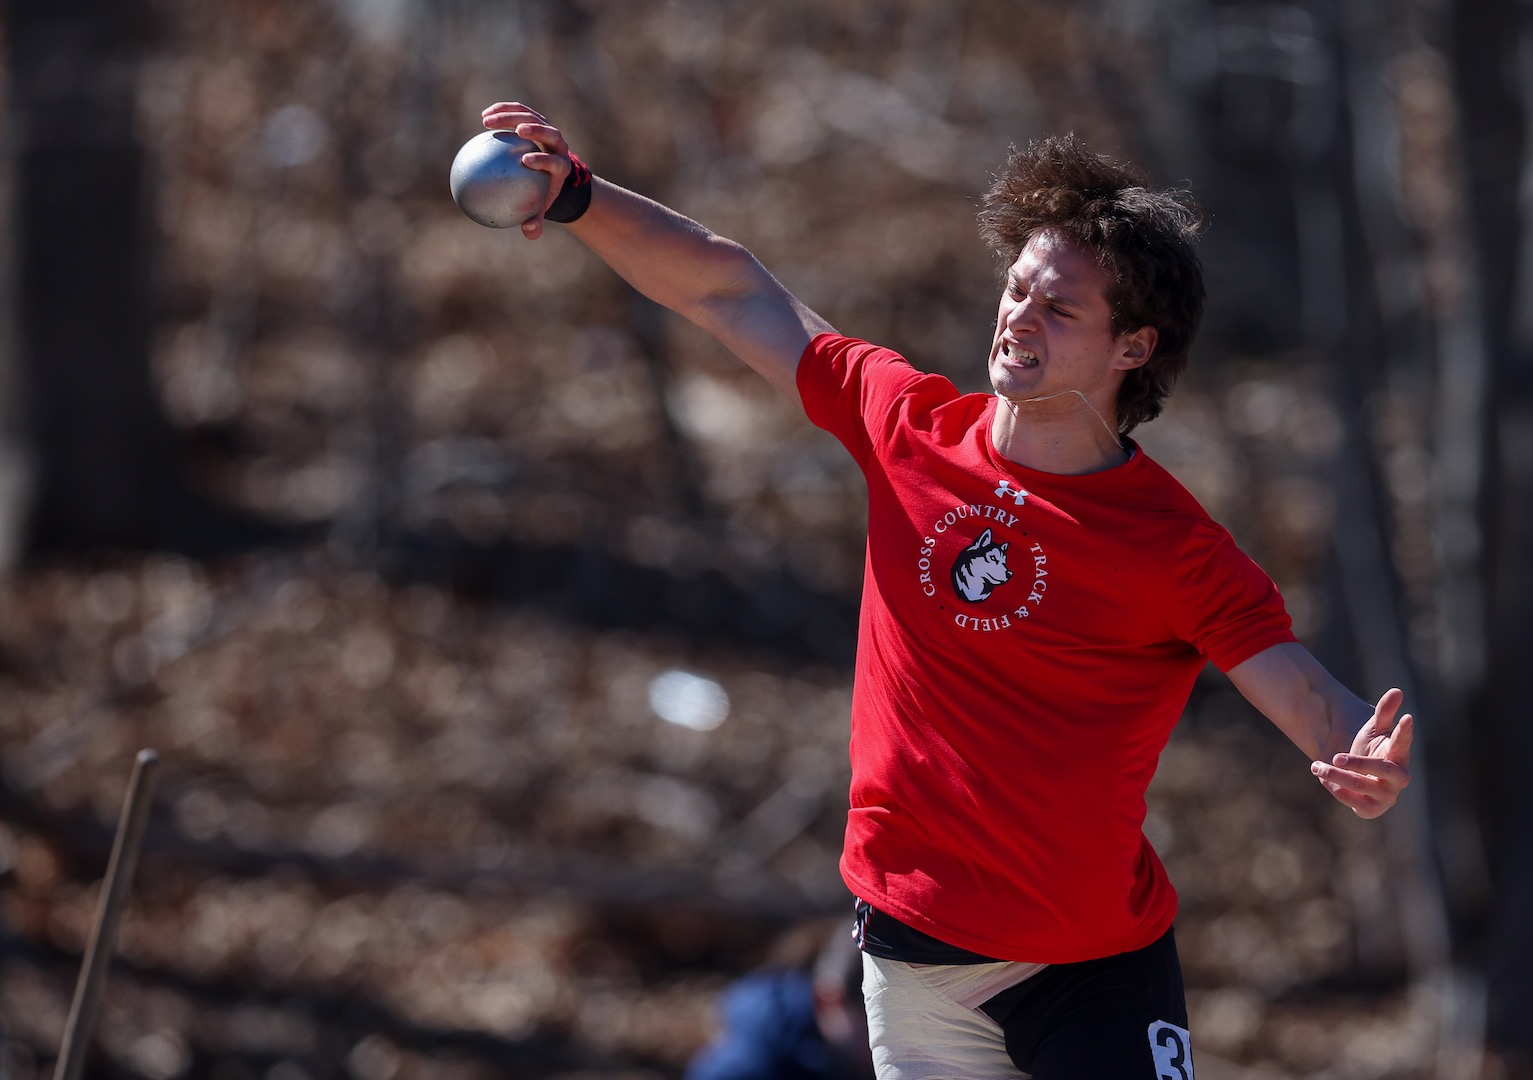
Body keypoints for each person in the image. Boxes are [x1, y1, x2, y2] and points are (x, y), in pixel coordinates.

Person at [479, 101, 1414, 1080]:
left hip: (1092, 968)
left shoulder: (1173, 546)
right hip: (914, 965)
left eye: (1060, 309)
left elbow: (1311, 697)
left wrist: (1362, 753)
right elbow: (724, 286)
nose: (1018, 318)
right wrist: (579, 194)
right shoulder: (905, 426)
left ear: (1132, 347)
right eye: (1017, 290)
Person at [687, 926, 876, 1080]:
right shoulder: (747, 1069)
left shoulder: (843, 1061)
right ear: (830, 1000)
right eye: (880, 1025)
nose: (902, 1043)